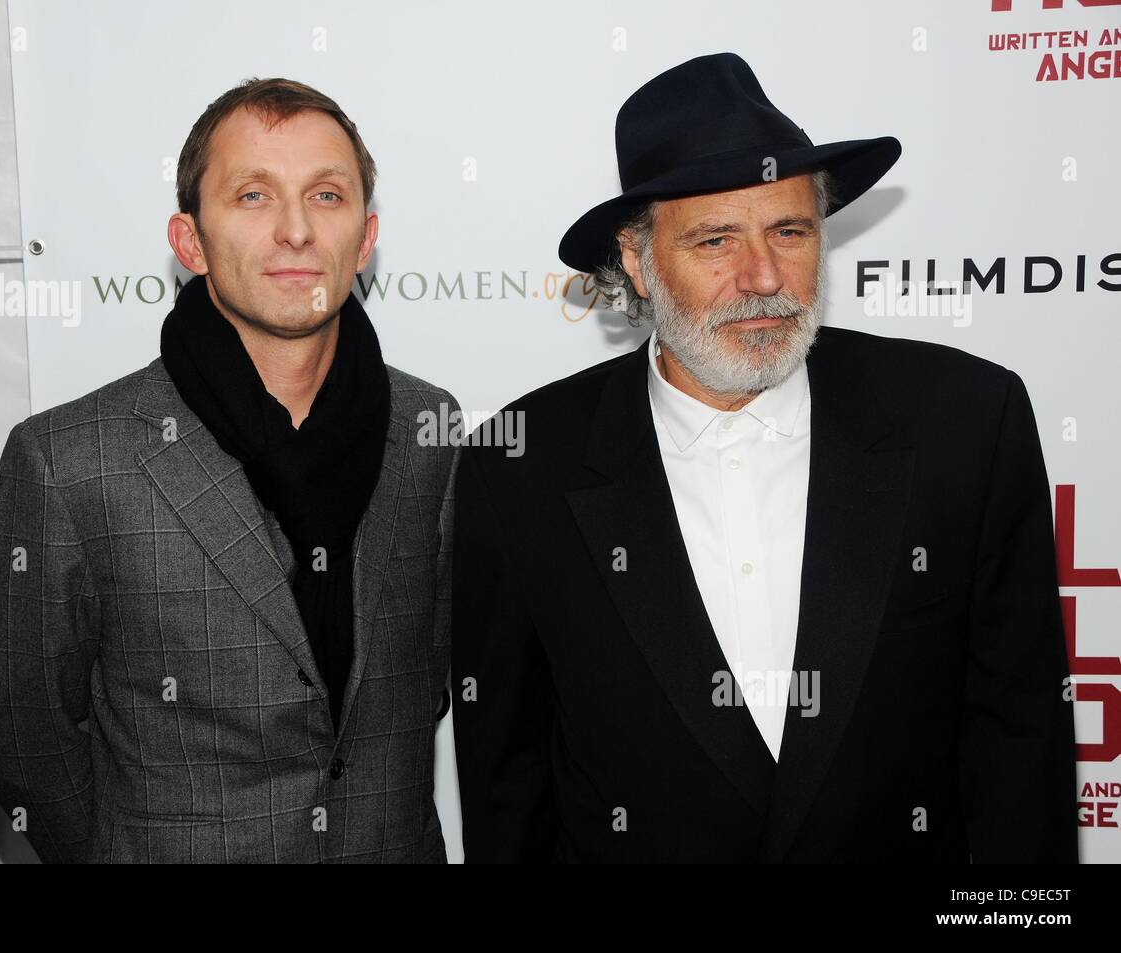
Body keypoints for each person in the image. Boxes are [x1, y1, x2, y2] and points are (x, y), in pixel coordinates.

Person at [451, 52, 1077, 862]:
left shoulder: (965, 423)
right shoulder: (521, 463)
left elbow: (1021, 748)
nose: (763, 277)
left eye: (790, 230)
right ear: (638, 261)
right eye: (716, 240)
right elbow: (510, 793)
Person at [0, 78, 458, 863]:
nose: (295, 231)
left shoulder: (429, 429)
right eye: (254, 195)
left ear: (365, 239)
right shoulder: (69, 460)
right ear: (190, 241)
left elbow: (425, 678)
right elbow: (21, 730)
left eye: (326, 195)